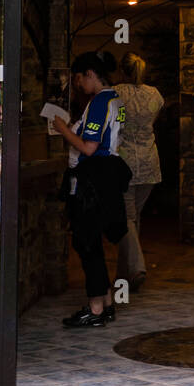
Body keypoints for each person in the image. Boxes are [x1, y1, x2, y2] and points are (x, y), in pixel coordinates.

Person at [50, 51, 131, 329]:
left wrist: (62, 129)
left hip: (91, 179)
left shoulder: (99, 102)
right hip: (107, 175)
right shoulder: (117, 100)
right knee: (93, 241)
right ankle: (106, 303)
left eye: (79, 79)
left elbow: (88, 146)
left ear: (90, 75)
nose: (77, 85)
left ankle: (96, 307)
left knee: (87, 243)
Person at [114, 52, 164, 293]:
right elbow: (152, 119)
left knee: (126, 217)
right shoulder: (154, 95)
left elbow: (116, 122)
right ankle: (123, 275)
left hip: (124, 162)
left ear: (121, 71)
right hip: (149, 161)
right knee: (134, 218)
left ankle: (136, 267)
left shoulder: (116, 93)